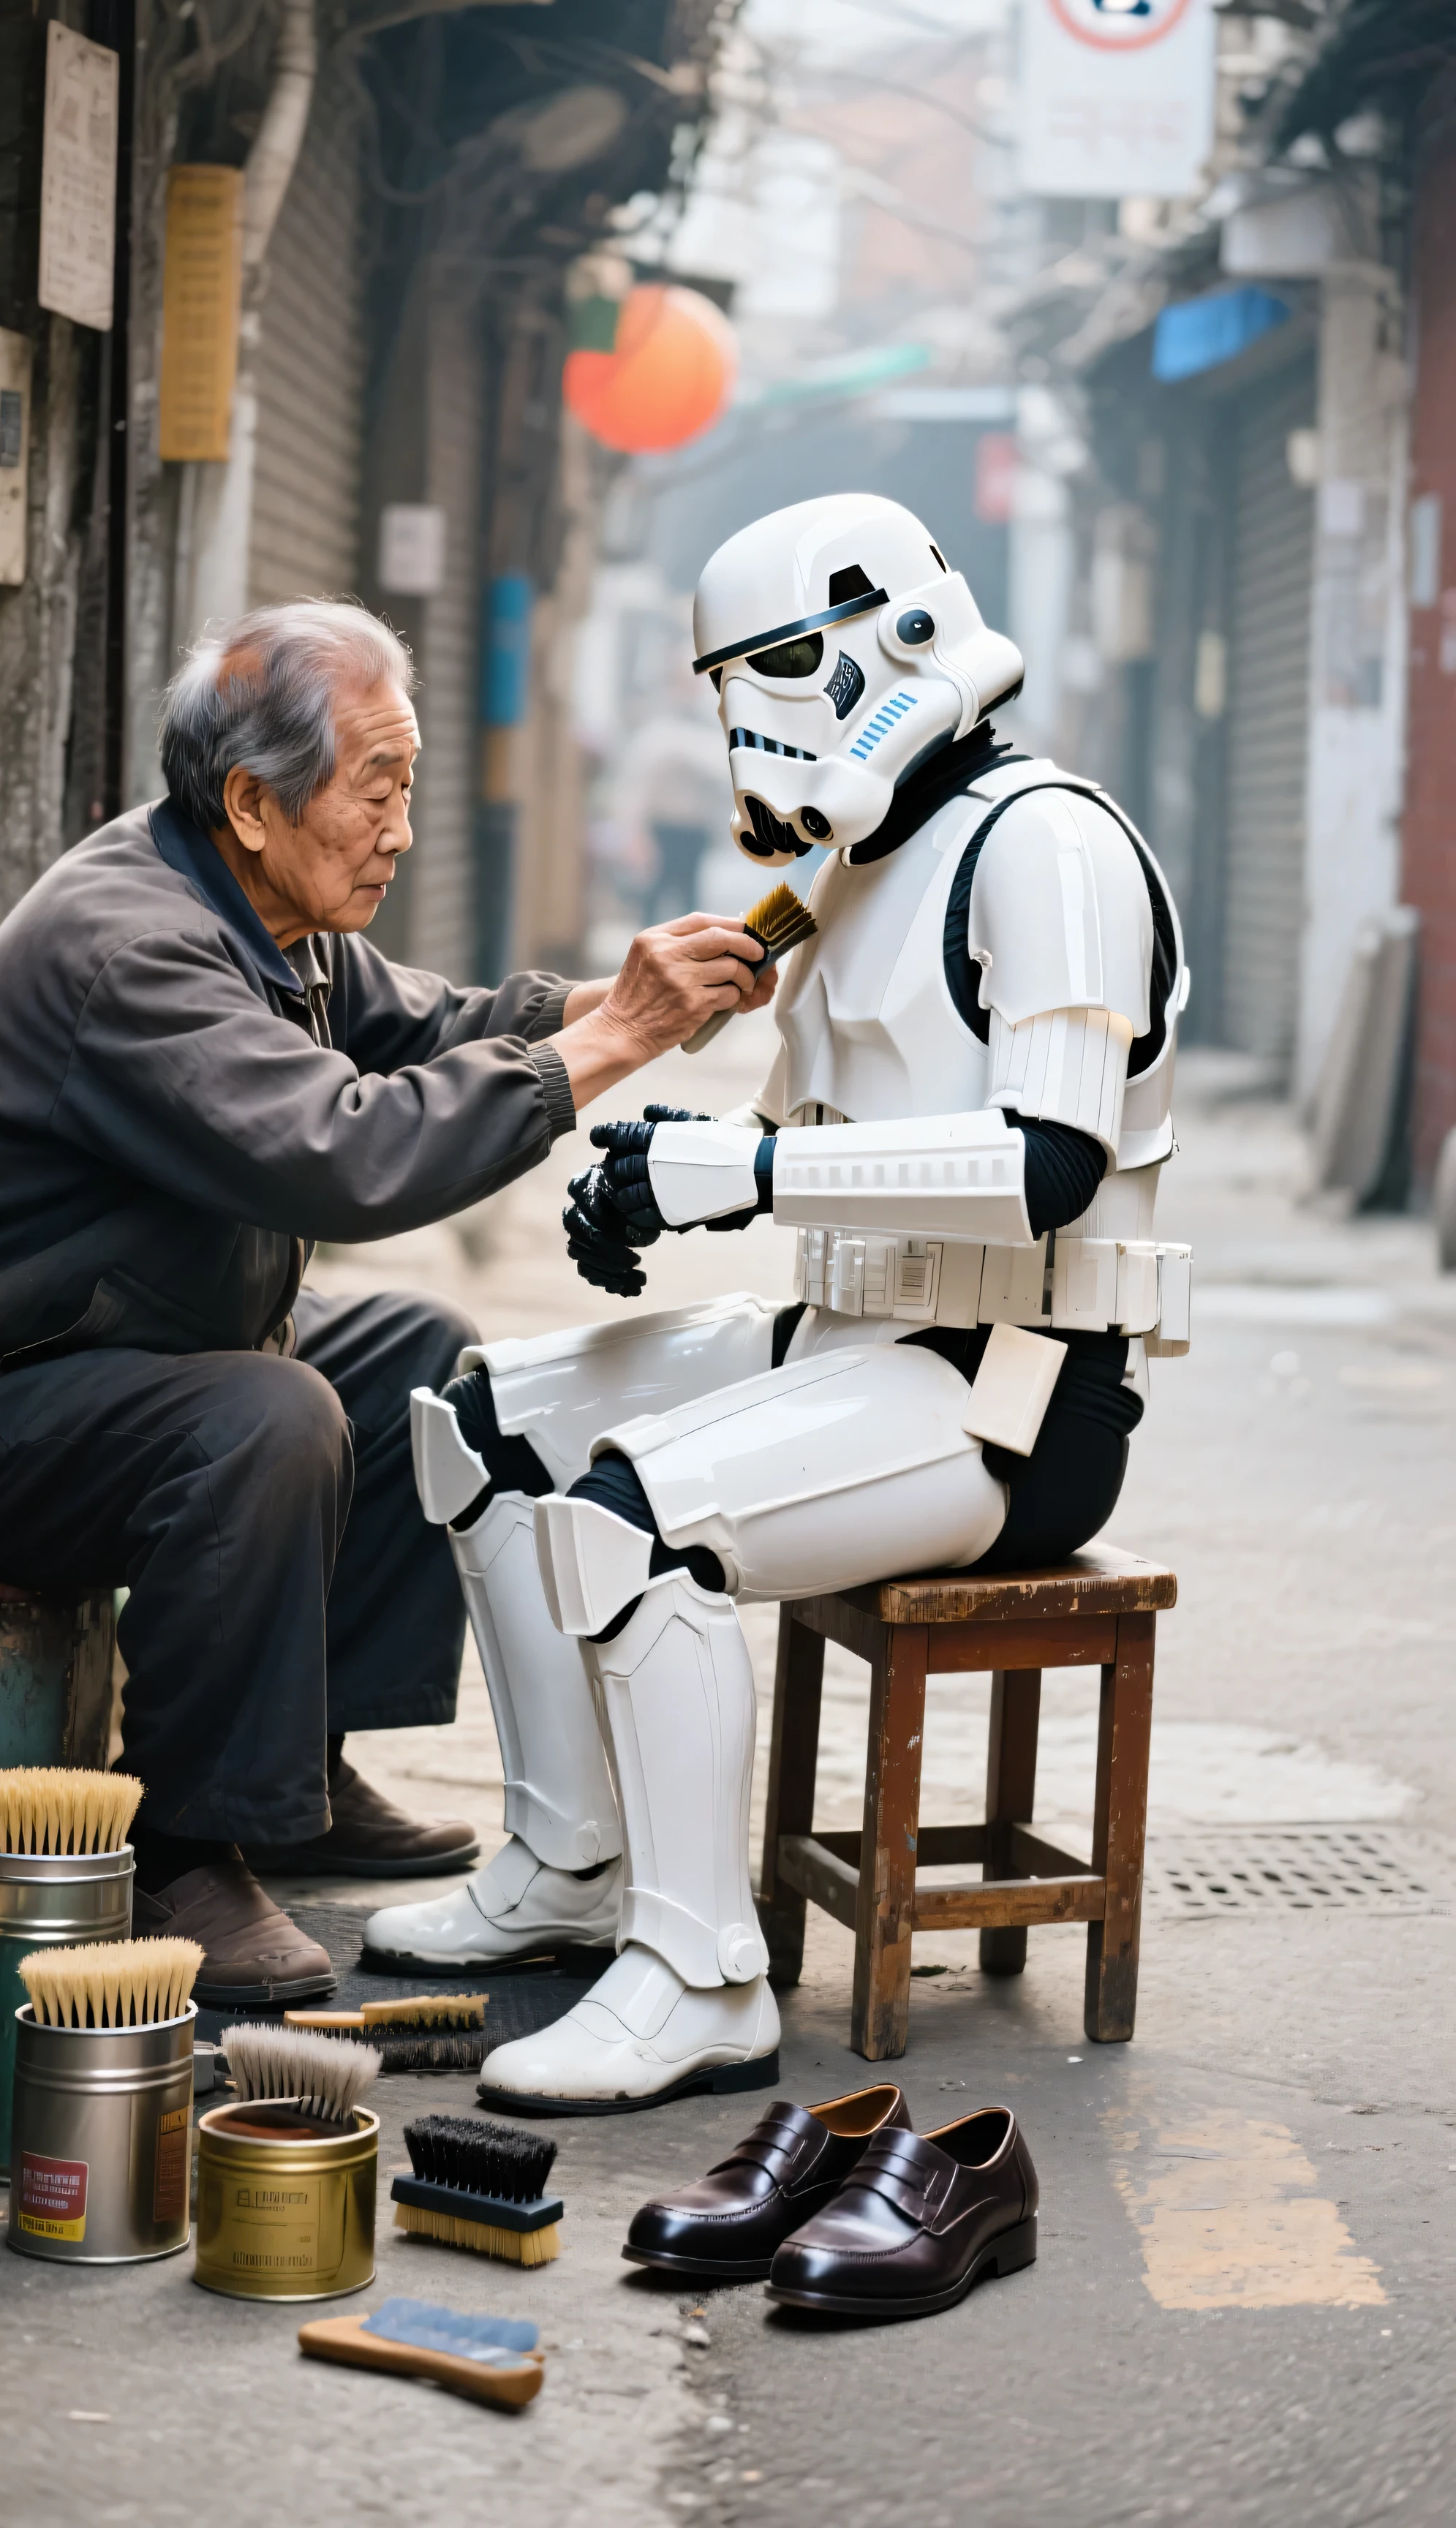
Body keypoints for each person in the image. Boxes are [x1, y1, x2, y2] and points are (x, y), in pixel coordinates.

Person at [0, 600, 774, 2005]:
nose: (401, 827)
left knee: (415, 1353)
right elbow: (351, 1151)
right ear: (253, 802)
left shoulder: (265, 912)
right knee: (270, 1414)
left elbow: (434, 1030)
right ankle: (192, 1845)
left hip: (103, 1351)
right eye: (376, 789)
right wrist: (615, 1043)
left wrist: (619, 998)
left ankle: (305, 1768)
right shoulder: (136, 944)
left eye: (406, 785)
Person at [365, 491, 1190, 2110]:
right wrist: (645, 1170)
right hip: (856, 1344)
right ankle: (569, 1860)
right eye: (737, 685)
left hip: (1014, 1395)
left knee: (637, 1514)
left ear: (892, 632)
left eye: (785, 670)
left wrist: (732, 1172)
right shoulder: (855, 865)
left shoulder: (1051, 843)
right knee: (483, 1422)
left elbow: (1047, 1162)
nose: (759, 726)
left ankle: (700, 1972)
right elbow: (833, 1135)